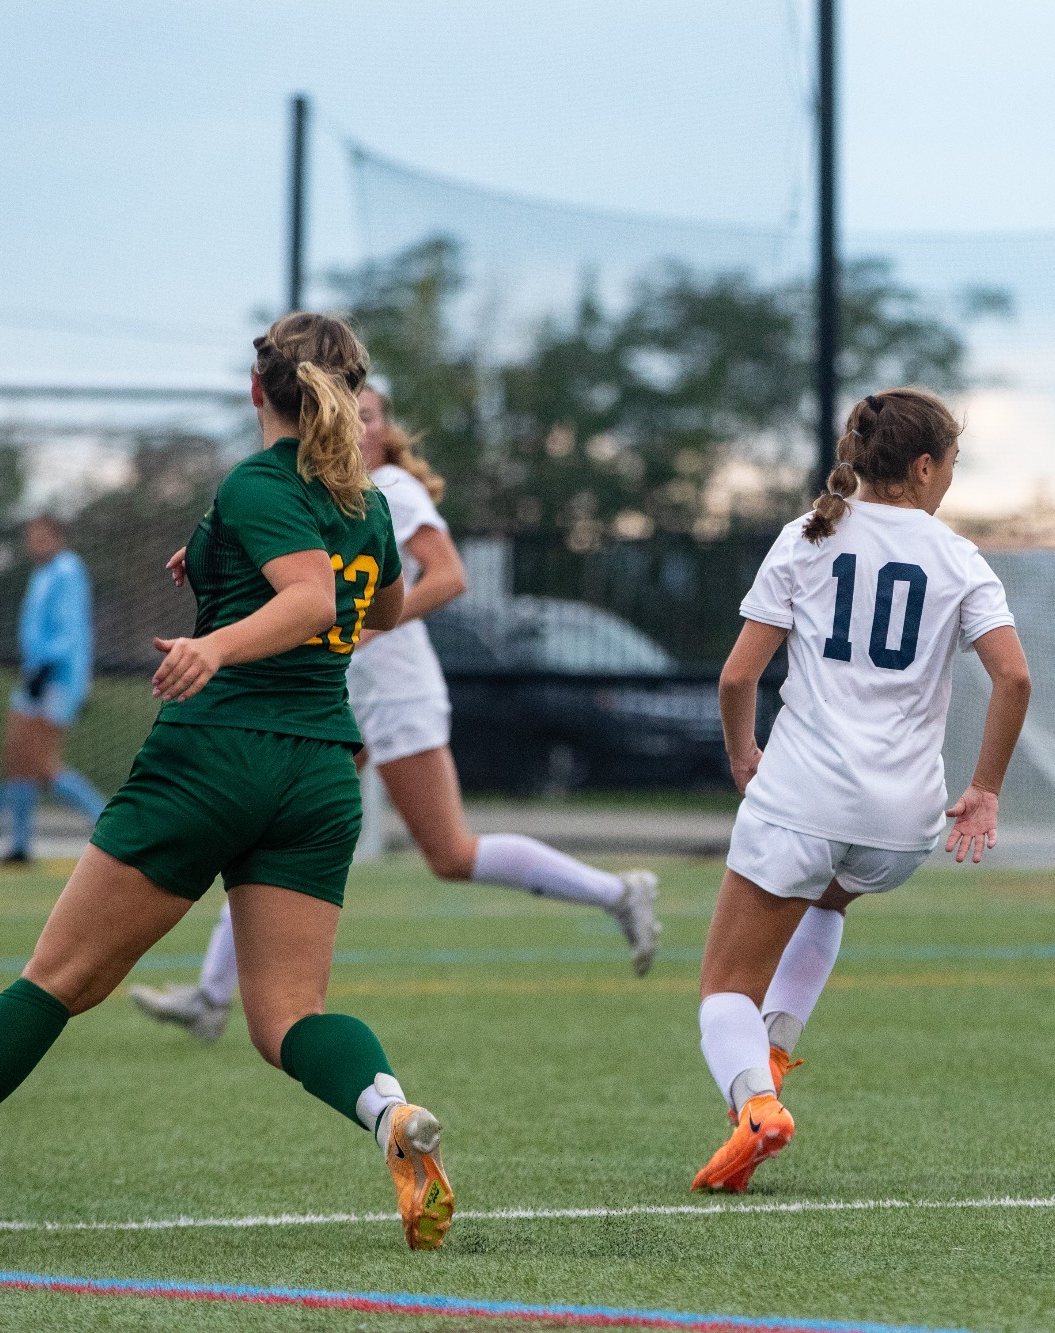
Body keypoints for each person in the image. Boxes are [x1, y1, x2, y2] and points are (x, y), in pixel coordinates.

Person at [0, 313, 455, 1251]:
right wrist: (216, 571)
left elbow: (311, 599)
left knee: (55, 980)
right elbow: (385, 601)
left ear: (257, 389)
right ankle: (391, 1114)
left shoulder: (256, 481)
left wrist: (214, 641)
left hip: (214, 758)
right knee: (290, 1015)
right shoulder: (364, 499)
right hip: (321, 772)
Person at [128, 379, 660, 1043]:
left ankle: (618, 892)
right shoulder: (308, 492)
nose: (355, 424)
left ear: (383, 430)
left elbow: (449, 576)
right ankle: (210, 996)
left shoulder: (391, 490)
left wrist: (363, 627)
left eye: (369, 414)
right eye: (347, 410)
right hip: (332, 694)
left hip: (394, 691)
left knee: (449, 852)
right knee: (266, 831)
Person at [690, 388, 1032, 1194]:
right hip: (902, 823)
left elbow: (739, 674)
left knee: (720, 991)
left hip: (804, 797)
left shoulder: (808, 535)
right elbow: (1013, 674)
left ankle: (757, 1101)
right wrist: (984, 787)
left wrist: (744, 756)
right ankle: (772, 1052)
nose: (949, 481)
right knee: (827, 902)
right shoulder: (957, 557)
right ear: (923, 467)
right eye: (950, 465)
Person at [0, 515, 106, 864]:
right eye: (31, 536)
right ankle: (19, 846)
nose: (35, 543)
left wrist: (49, 668)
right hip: (35, 675)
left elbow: (71, 630)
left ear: (58, 537)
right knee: (16, 755)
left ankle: (108, 824)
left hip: (57, 678)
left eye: (42, 536)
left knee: (44, 766)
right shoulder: (41, 574)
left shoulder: (67, 570)